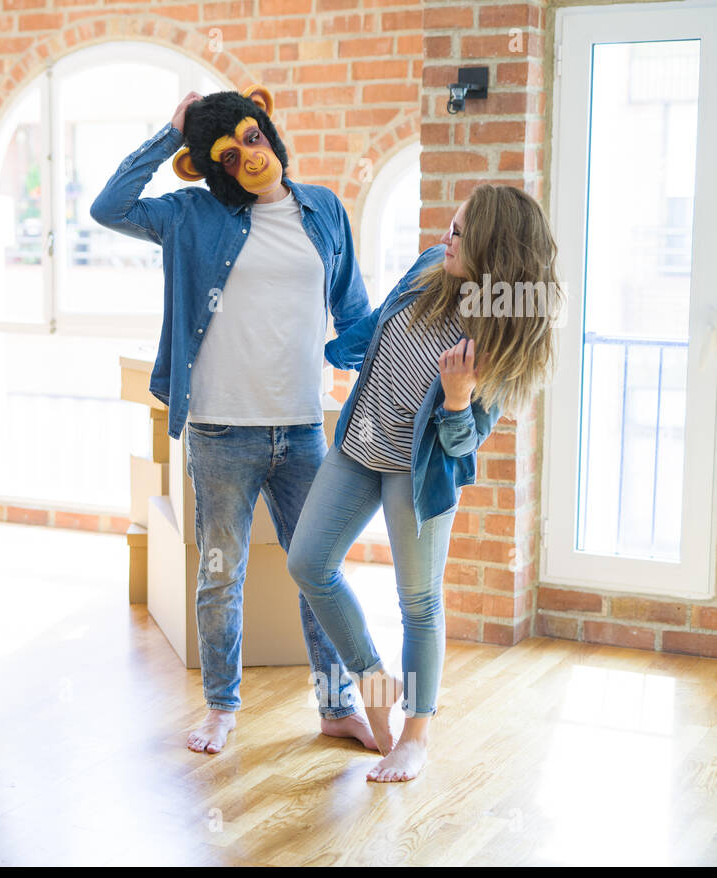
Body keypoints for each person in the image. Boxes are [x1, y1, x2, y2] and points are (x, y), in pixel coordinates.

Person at [90, 87, 374, 754]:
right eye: (228, 152)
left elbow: (355, 312)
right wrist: (171, 135)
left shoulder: (323, 209)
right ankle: (221, 706)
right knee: (222, 572)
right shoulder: (192, 213)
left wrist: (381, 378)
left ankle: (338, 706)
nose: (249, 155)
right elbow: (111, 207)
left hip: (302, 427)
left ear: (267, 128)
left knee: (319, 571)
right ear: (210, 167)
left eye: (252, 136)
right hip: (220, 430)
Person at [288, 183, 561, 782]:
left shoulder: (500, 334)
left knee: (418, 601)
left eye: (459, 232)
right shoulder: (430, 268)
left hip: (418, 476)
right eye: (451, 225)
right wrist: (331, 348)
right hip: (359, 446)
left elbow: (464, 449)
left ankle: (415, 735)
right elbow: (381, 328)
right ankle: (372, 678)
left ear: (492, 249)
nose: (446, 237)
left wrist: (460, 401)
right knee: (308, 562)